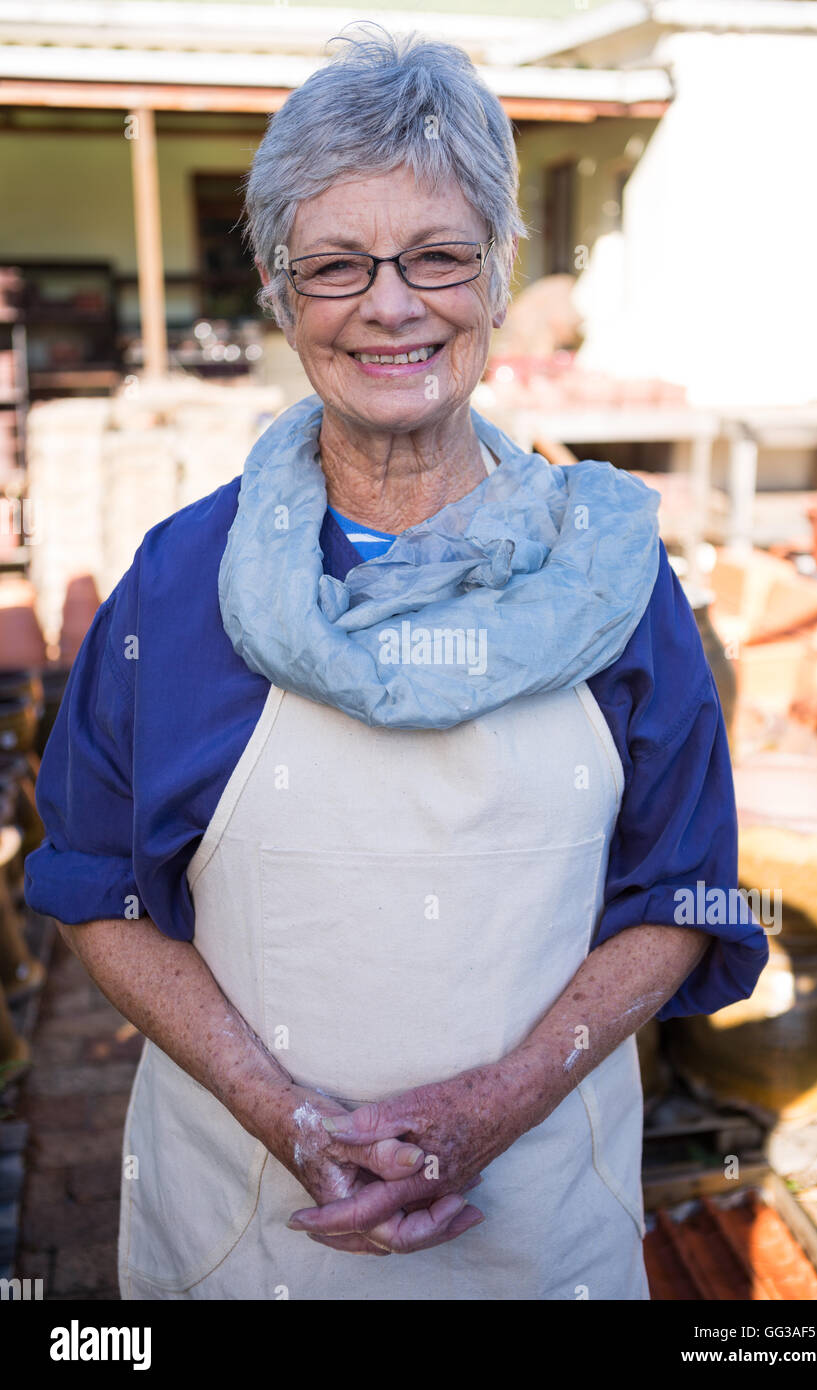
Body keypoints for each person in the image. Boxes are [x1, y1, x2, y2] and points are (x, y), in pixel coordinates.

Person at [25, 25, 768, 1301]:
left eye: (437, 255)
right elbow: (98, 885)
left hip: (535, 1232)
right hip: (248, 1234)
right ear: (275, 287)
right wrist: (286, 1115)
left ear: (495, 275)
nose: (390, 304)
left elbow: (682, 899)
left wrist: (498, 1102)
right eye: (334, 265)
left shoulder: (612, 581)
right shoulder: (178, 584)